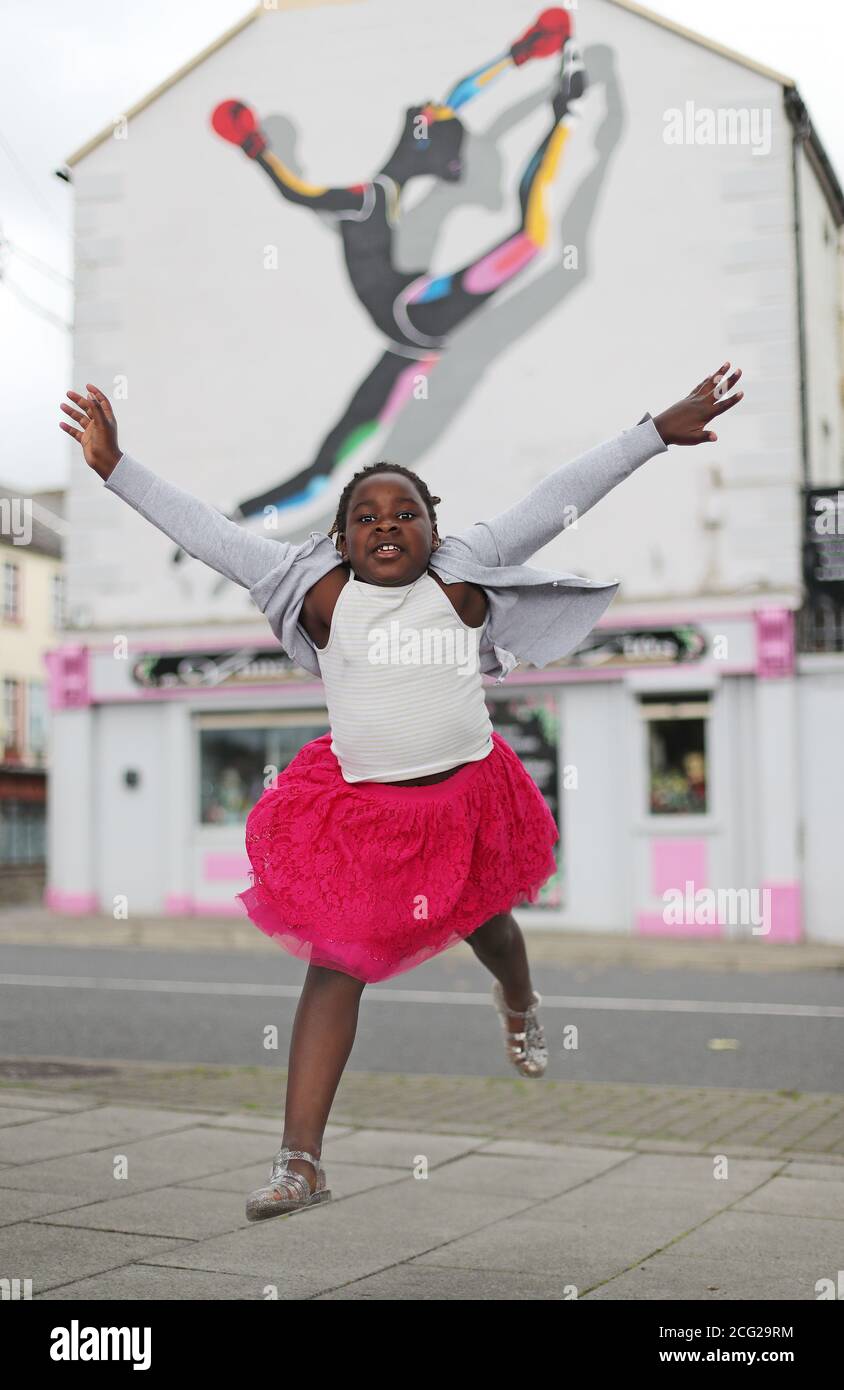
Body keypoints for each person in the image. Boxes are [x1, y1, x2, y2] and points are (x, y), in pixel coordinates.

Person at [58, 363, 743, 1220]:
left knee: (491, 926)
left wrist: (653, 432)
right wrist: (117, 468)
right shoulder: (320, 594)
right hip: (365, 816)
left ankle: (520, 1003)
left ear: (434, 527)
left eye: (406, 513)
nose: (387, 526)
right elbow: (208, 533)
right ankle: (300, 1162)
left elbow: (559, 491)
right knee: (333, 968)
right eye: (366, 518)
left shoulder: (462, 577)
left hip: (464, 799)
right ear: (342, 539)